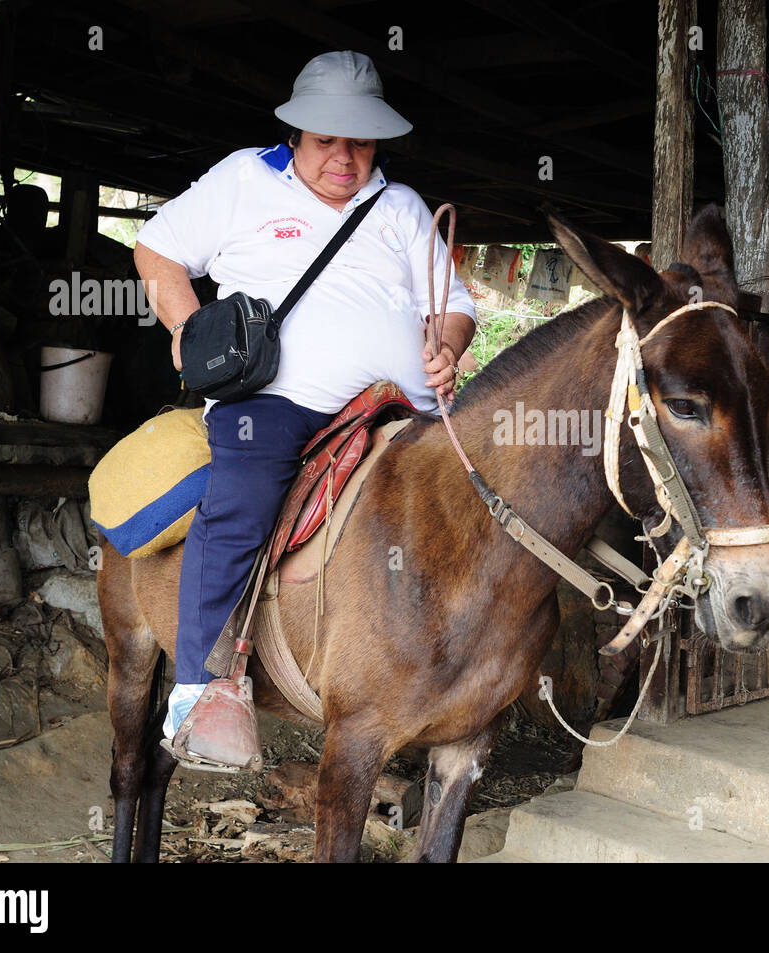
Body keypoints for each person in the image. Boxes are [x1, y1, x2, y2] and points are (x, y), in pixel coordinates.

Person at [134, 51, 476, 769]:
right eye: (327, 141)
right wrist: (187, 330)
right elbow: (158, 249)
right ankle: (198, 693)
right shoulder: (242, 180)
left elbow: (458, 309)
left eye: (359, 141)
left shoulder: (402, 208)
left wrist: (444, 347)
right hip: (275, 403)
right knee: (243, 501)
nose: (344, 158)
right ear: (296, 135)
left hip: (398, 409)